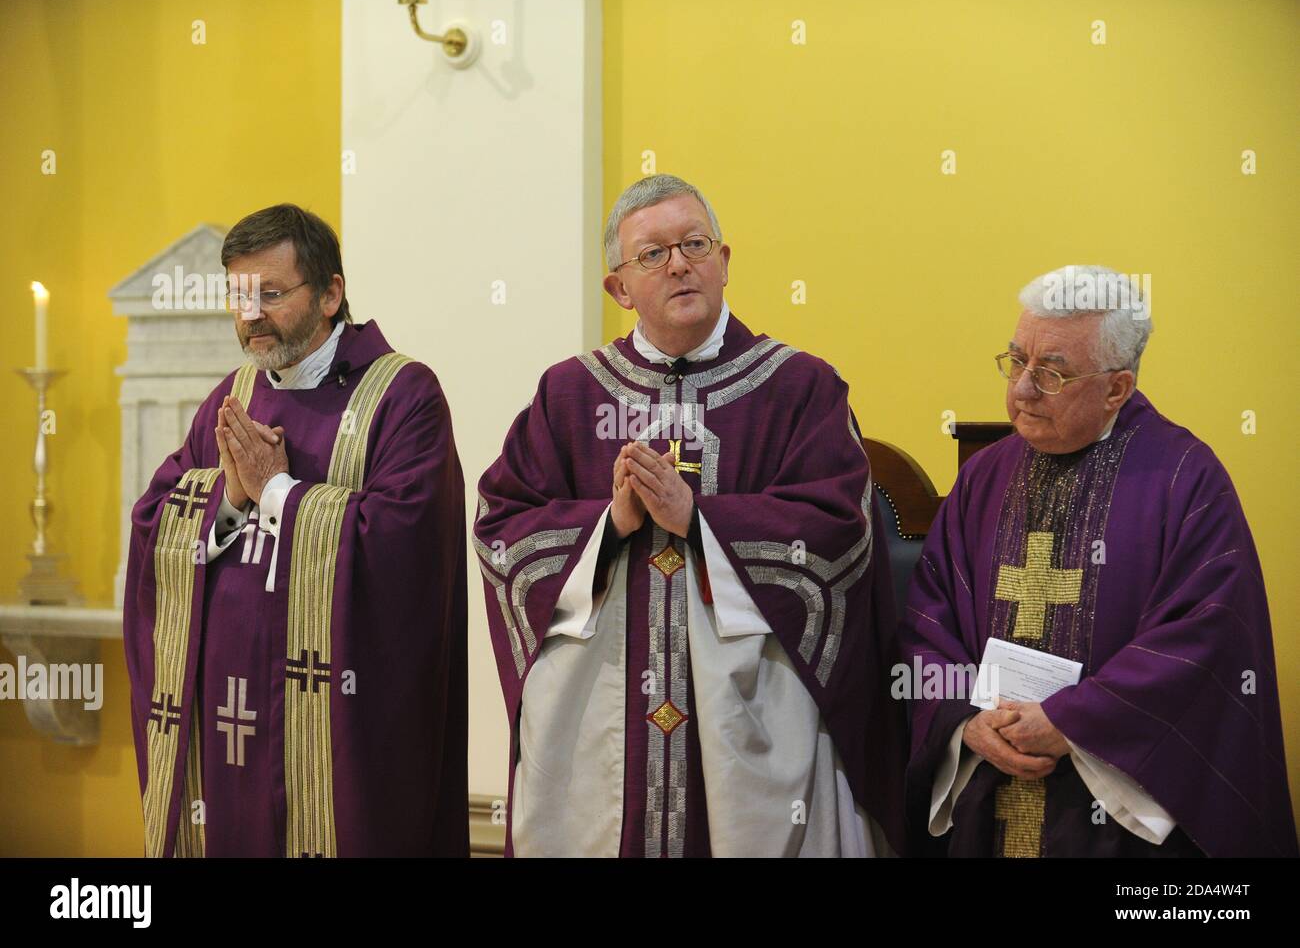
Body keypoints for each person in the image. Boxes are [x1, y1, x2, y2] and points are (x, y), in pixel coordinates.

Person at [474, 174, 908, 857]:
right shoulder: (569, 393)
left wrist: (702, 521)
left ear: (725, 260)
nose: (679, 263)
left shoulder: (798, 387)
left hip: (757, 714)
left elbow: (840, 534)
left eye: (694, 244)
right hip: (605, 732)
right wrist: (608, 524)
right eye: (653, 254)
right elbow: (501, 528)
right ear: (619, 288)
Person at [902, 265, 1296, 857]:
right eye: (1016, 362)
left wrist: (1072, 721)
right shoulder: (984, 477)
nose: (1022, 391)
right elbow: (928, 621)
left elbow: (1205, 642)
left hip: (1117, 818)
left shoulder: (1185, 480)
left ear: (1118, 388)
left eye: (1053, 374)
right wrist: (964, 722)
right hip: (989, 785)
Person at [123, 204, 468, 856]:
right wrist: (228, 492)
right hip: (231, 726)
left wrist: (278, 491)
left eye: (271, 294)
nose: (250, 315)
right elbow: (157, 522)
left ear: (332, 293)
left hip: (343, 729)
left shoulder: (402, 397)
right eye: (240, 296)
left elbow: (408, 548)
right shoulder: (236, 395)